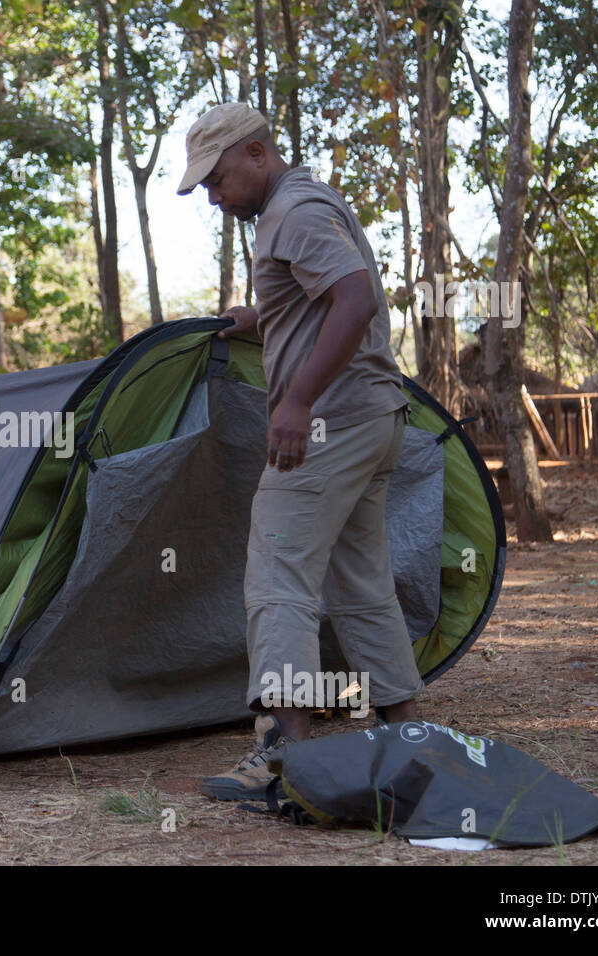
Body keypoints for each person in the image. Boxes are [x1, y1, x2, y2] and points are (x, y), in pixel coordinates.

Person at [175, 102, 425, 801]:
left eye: (219, 179)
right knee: (362, 581)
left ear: (256, 152)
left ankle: (282, 754)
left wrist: (296, 401)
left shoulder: (295, 212)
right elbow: (323, 302)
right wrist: (264, 318)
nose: (215, 196)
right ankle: (407, 733)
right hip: (375, 419)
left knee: (278, 576)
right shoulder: (306, 205)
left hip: (331, 427)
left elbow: (354, 299)